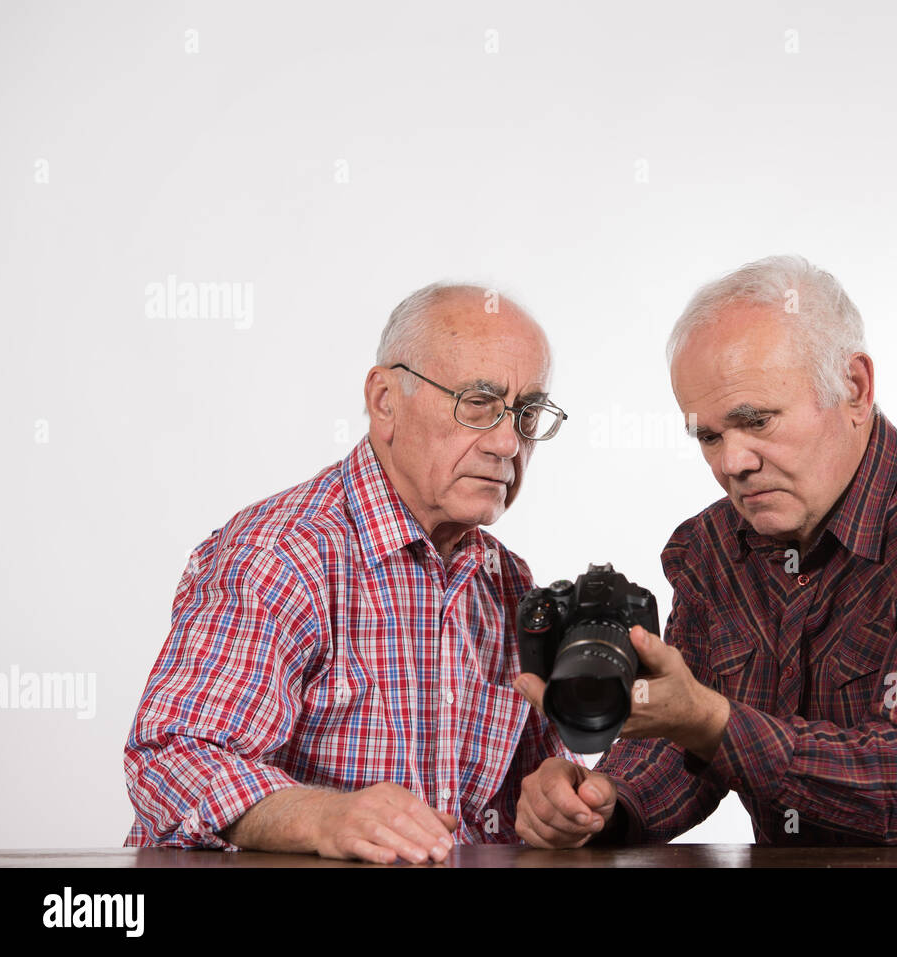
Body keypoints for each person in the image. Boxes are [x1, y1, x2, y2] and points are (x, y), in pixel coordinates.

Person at [513, 255, 897, 846]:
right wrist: (599, 804)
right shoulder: (709, 549)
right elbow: (682, 751)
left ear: (854, 388)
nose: (732, 464)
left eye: (759, 422)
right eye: (710, 435)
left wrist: (707, 718)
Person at [124, 282, 577, 863]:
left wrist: (557, 802)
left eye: (527, 413)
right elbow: (170, 760)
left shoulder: (510, 582)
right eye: (479, 402)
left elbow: (533, 797)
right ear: (385, 400)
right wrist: (322, 816)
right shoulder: (282, 554)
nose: (509, 442)